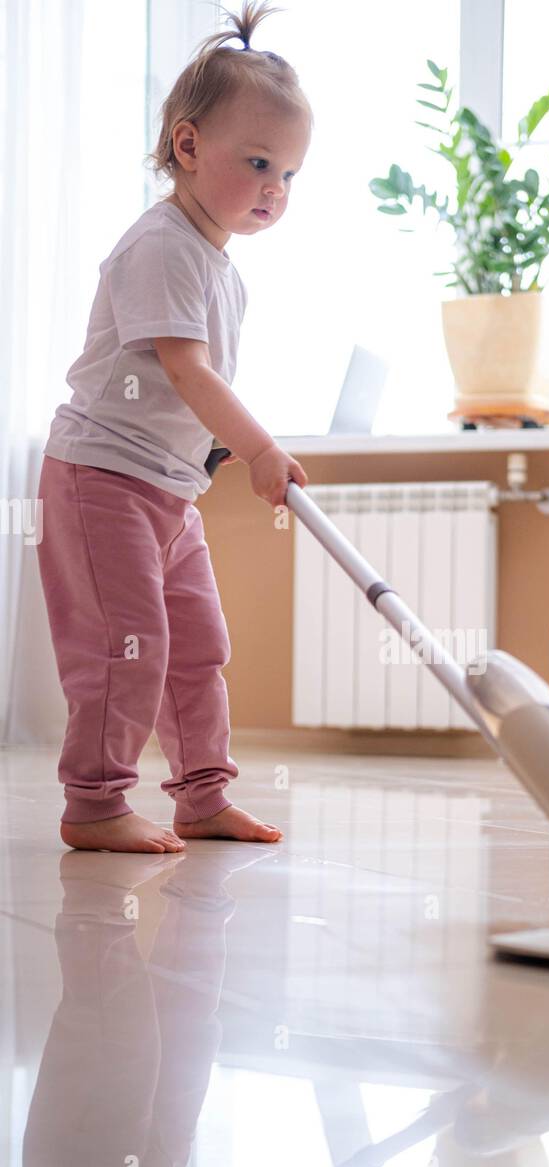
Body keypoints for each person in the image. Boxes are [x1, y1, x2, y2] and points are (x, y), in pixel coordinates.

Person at [37, 1, 310, 852]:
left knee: (197, 646)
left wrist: (221, 449)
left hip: (168, 489)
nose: (275, 189)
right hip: (102, 480)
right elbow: (188, 371)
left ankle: (201, 793)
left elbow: (191, 389)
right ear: (188, 148)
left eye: (291, 174)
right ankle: (96, 804)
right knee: (128, 647)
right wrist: (260, 447)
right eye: (259, 161)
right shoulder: (160, 245)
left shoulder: (220, 266)